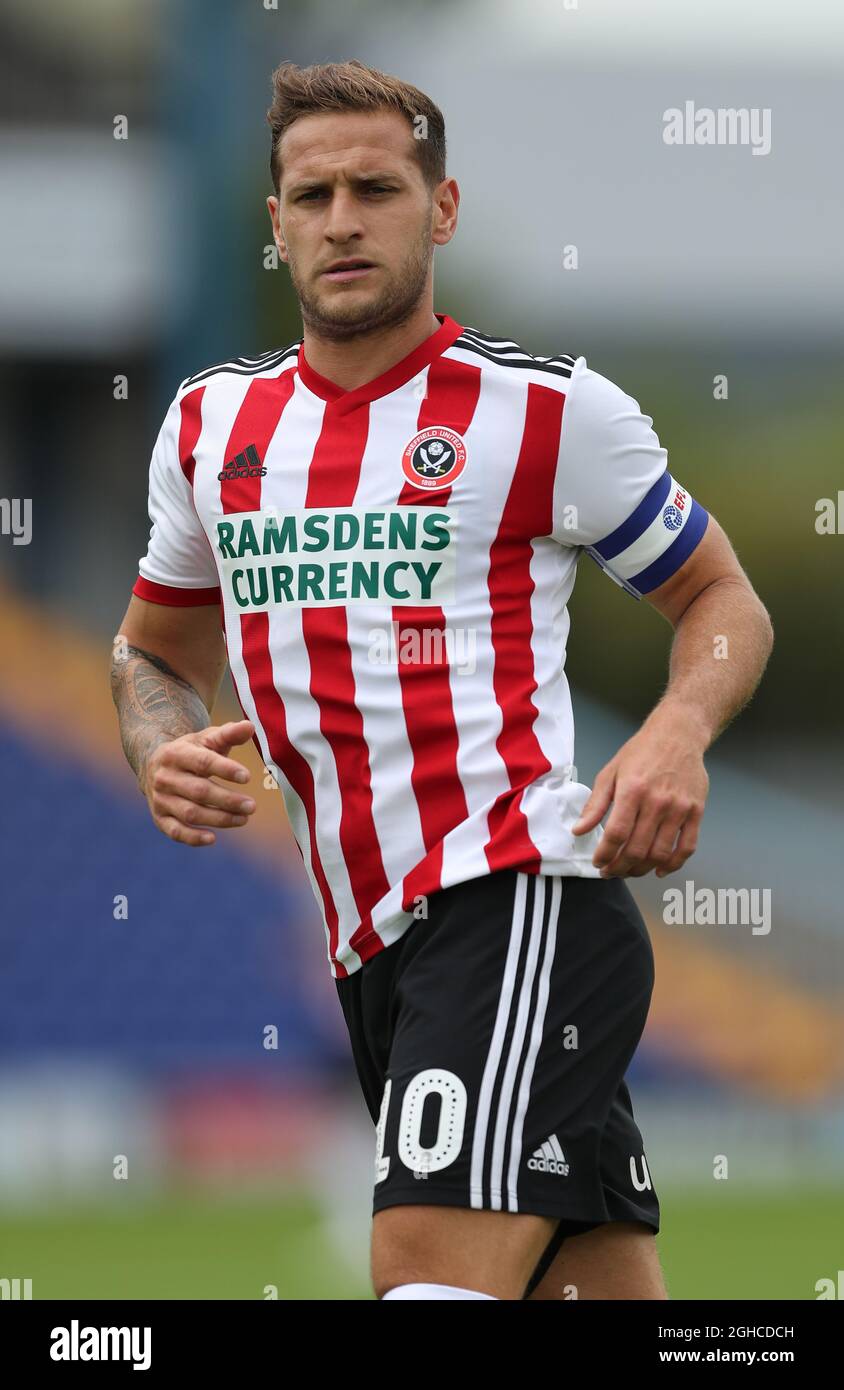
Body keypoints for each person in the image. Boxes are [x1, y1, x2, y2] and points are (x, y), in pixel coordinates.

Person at [110, 59, 773, 1301]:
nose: (342, 219)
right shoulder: (209, 426)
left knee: (425, 1278)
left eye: (376, 186)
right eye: (311, 195)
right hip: (373, 945)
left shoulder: (545, 413)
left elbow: (724, 602)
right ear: (274, 224)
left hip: (517, 898)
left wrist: (679, 729)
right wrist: (161, 743)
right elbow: (153, 649)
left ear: (443, 207)